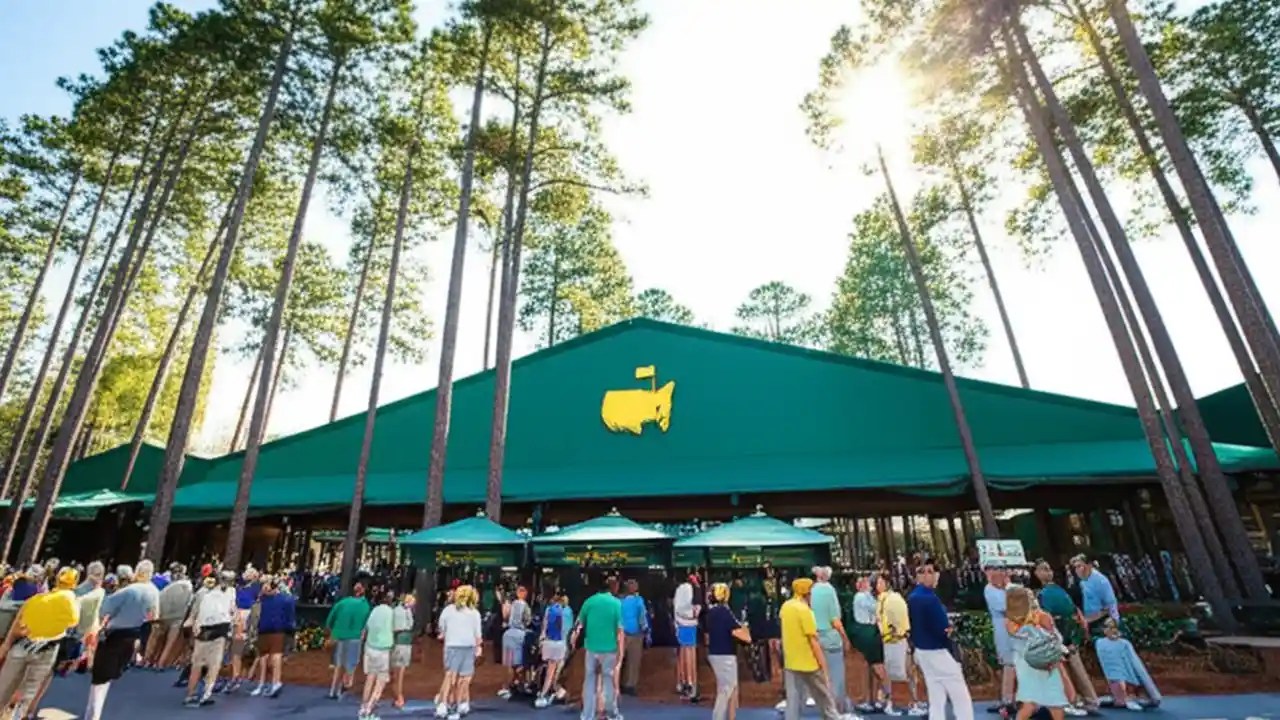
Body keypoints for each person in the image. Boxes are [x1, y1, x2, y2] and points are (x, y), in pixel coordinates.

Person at [0, 566, 79, 719]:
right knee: (28, 692)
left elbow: (18, 624)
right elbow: (73, 622)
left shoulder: (35, 599)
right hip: (46, 650)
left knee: (4, 687)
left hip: (21, 645)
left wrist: (6, 645)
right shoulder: (70, 600)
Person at [86, 561, 160, 720]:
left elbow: (105, 609)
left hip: (115, 633)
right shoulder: (154, 591)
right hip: (134, 634)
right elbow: (154, 616)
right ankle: (92, 713)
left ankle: (93, 715)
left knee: (100, 677)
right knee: (109, 675)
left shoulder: (128, 591)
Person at [907, 561, 973, 720]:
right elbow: (943, 629)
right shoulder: (929, 599)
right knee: (959, 694)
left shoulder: (913, 596)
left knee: (936, 693)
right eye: (927, 572)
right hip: (938, 650)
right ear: (920, 576)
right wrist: (950, 634)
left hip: (922, 650)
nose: (933, 575)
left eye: (933, 571)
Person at [780, 577, 852, 720]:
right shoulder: (804, 611)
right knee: (824, 697)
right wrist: (824, 668)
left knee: (793, 701)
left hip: (791, 662)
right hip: (809, 663)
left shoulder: (786, 607)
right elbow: (813, 642)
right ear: (807, 593)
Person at [1034, 561, 1098, 713]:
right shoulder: (1043, 593)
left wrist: (1074, 634)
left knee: (1073, 666)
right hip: (1057, 633)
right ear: (1036, 573)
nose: (1048, 572)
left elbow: (1069, 612)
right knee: (1064, 668)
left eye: (1049, 569)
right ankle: (1075, 699)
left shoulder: (1056, 591)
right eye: (1043, 569)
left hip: (1065, 632)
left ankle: (1087, 699)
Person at [1005, 587, 1068, 720]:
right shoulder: (1042, 617)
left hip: (1024, 664)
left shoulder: (1009, 622)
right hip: (1044, 663)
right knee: (1054, 701)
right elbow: (1055, 640)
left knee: (1030, 702)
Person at [184, 570, 236, 708]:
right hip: (219, 628)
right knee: (213, 664)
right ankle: (205, 693)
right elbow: (232, 611)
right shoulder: (230, 593)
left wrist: (195, 623)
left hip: (205, 628)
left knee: (199, 663)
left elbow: (196, 611)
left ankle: (191, 694)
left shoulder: (205, 593)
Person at [575, 575, 624, 720]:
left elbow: (579, 624)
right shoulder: (616, 603)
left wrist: (573, 640)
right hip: (609, 648)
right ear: (612, 588)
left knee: (589, 681)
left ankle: (586, 715)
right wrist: (620, 651)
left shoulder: (589, 602)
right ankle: (612, 714)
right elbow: (620, 629)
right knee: (608, 681)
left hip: (591, 648)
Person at [876, 573, 925, 716]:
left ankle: (911, 703)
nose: (878, 586)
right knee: (893, 674)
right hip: (893, 640)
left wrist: (898, 632)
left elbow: (888, 620)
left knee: (905, 673)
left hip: (898, 640)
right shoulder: (886, 599)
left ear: (886, 584)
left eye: (880, 583)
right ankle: (891, 703)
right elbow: (881, 621)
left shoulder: (891, 599)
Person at [435, 584, 482, 720]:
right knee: (464, 679)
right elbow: (478, 635)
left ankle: (443, 706)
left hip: (451, 647)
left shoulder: (448, 610)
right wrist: (479, 649)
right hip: (468, 648)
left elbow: (441, 628)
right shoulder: (475, 613)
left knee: (449, 676)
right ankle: (456, 706)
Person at [1094, 619, 1160, 710]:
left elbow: (1135, 665)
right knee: (1119, 696)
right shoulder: (1100, 643)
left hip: (1127, 675)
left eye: (1113, 627)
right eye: (1107, 627)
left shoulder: (1124, 643)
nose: (1110, 630)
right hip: (1114, 677)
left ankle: (1129, 696)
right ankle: (1120, 697)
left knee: (1128, 677)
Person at [812, 566, 852, 714]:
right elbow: (835, 619)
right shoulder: (829, 591)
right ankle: (837, 711)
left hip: (816, 639)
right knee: (836, 677)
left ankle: (825, 711)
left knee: (821, 677)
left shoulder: (812, 590)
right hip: (831, 640)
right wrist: (845, 638)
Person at [706, 582, 750, 720]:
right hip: (725, 655)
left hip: (715, 653)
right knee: (727, 689)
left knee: (730, 689)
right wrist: (745, 628)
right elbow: (744, 636)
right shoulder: (723, 612)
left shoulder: (711, 612)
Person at [249, 575, 294, 698]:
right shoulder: (262, 600)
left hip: (276, 630)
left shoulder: (283, 599)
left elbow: (289, 616)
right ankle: (263, 684)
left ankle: (275, 682)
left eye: (267, 585)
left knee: (275, 656)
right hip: (264, 630)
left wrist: (289, 630)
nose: (265, 587)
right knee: (264, 658)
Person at [326, 581, 372, 700]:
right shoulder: (365, 606)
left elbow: (330, 619)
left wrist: (330, 632)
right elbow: (367, 624)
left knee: (338, 664)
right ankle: (346, 684)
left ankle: (333, 690)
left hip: (339, 635)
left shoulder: (342, 602)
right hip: (354, 638)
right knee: (350, 664)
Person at [851, 574, 889, 713]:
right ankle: (886, 696)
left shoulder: (868, 596)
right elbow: (876, 609)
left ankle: (871, 699)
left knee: (871, 668)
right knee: (876, 666)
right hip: (866, 631)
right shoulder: (861, 597)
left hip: (871, 631)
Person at [984, 563, 1017, 714]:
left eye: (999, 570)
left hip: (1018, 629)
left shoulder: (1011, 586)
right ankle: (1007, 700)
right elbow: (1006, 607)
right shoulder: (989, 589)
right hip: (1003, 630)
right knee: (1008, 663)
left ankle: (1017, 699)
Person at [360, 590, 395, 720]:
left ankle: (363, 708)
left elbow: (366, 629)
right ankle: (369, 709)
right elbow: (394, 628)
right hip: (383, 650)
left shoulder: (374, 611)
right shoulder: (391, 612)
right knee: (381, 682)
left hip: (370, 648)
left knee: (370, 678)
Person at [151, 563, 193, 669]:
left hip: (163, 615)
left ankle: (148, 659)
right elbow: (190, 602)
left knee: (156, 637)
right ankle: (160, 663)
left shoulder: (166, 583)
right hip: (178, 617)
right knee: (169, 642)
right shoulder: (188, 586)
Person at [536, 591, 573, 709]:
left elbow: (544, 627)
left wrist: (541, 642)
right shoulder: (566, 611)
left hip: (547, 643)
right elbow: (566, 630)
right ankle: (544, 694)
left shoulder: (549, 610)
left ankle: (554, 691)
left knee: (551, 670)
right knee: (554, 671)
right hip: (559, 644)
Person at [1070, 556, 1120, 632]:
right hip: (1089, 620)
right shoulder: (1081, 581)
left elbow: (1108, 607)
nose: (1077, 570)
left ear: (1089, 565)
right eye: (1075, 568)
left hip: (1105, 621)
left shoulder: (1101, 581)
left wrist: (1089, 619)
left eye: (1079, 566)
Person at [499, 585, 532, 699]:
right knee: (520, 663)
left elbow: (505, 617)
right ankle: (520, 685)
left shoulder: (511, 604)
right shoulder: (526, 606)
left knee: (509, 664)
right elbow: (527, 621)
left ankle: (507, 687)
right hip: (519, 634)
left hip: (508, 634)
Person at [672, 573, 701, 700]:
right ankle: (690, 685)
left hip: (683, 624)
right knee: (689, 653)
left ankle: (684, 683)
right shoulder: (687, 589)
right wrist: (694, 613)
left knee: (684, 653)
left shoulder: (682, 589)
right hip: (686, 624)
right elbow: (681, 608)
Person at [619, 580, 647, 697]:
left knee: (619, 660)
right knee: (634, 660)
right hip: (635, 633)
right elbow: (642, 616)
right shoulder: (638, 601)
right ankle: (630, 685)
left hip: (621, 633)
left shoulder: (619, 601)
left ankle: (618, 682)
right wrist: (645, 628)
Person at [391, 593, 415, 710]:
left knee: (398, 672)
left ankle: (398, 696)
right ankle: (399, 697)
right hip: (401, 642)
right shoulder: (400, 611)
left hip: (403, 642)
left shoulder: (403, 611)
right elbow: (407, 625)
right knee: (398, 673)